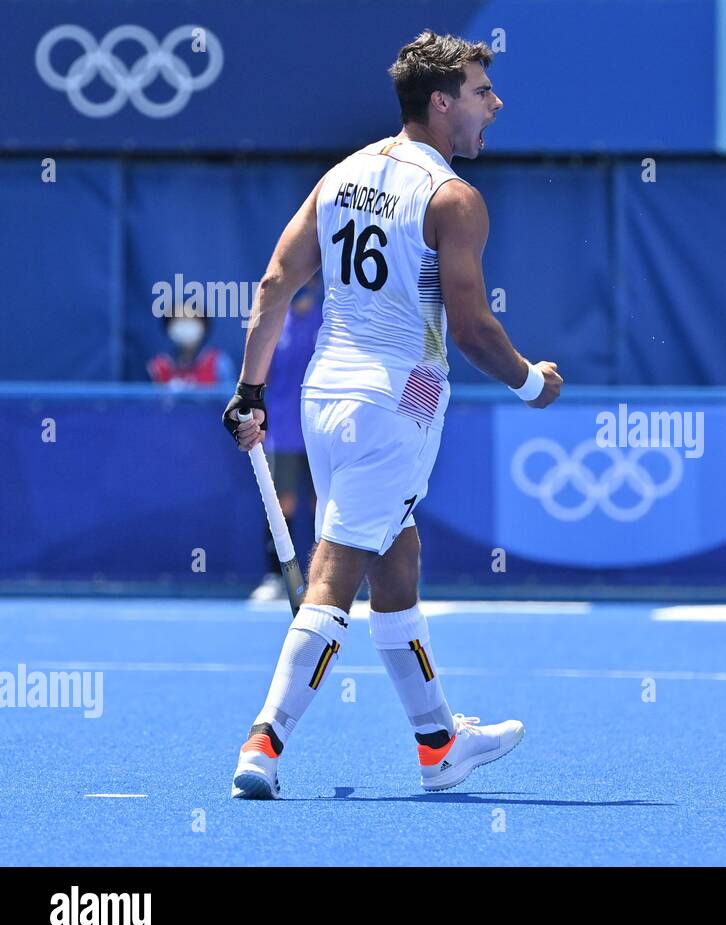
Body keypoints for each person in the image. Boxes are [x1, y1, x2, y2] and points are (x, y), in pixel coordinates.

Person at [221, 31, 563, 799]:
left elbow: (276, 282)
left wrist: (250, 389)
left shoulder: (341, 175)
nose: (495, 104)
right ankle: (264, 742)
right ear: (441, 103)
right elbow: (472, 330)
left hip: (324, 397)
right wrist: (532, 385)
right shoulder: (453, 198)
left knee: (396, 553)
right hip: (400, 401)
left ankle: (438, 742)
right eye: (482, 92)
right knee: (337, 570)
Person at [249, 280, 323, 602]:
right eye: (299, 283)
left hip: (325, 432)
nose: (303, 288)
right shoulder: (275, 326)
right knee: (283, 505)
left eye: (309, 283)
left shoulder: (331, 322)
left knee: (326, 505)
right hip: (284, 432)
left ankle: (332, 580)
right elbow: (259, 378)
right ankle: (277, 578)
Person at [147, 304, 233, 389]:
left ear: (204, 326)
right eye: (179, 320)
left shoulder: (219, 363)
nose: (185, 325)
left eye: (192, 319)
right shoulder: (157, 366)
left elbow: (229, 399)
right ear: (169, 327)